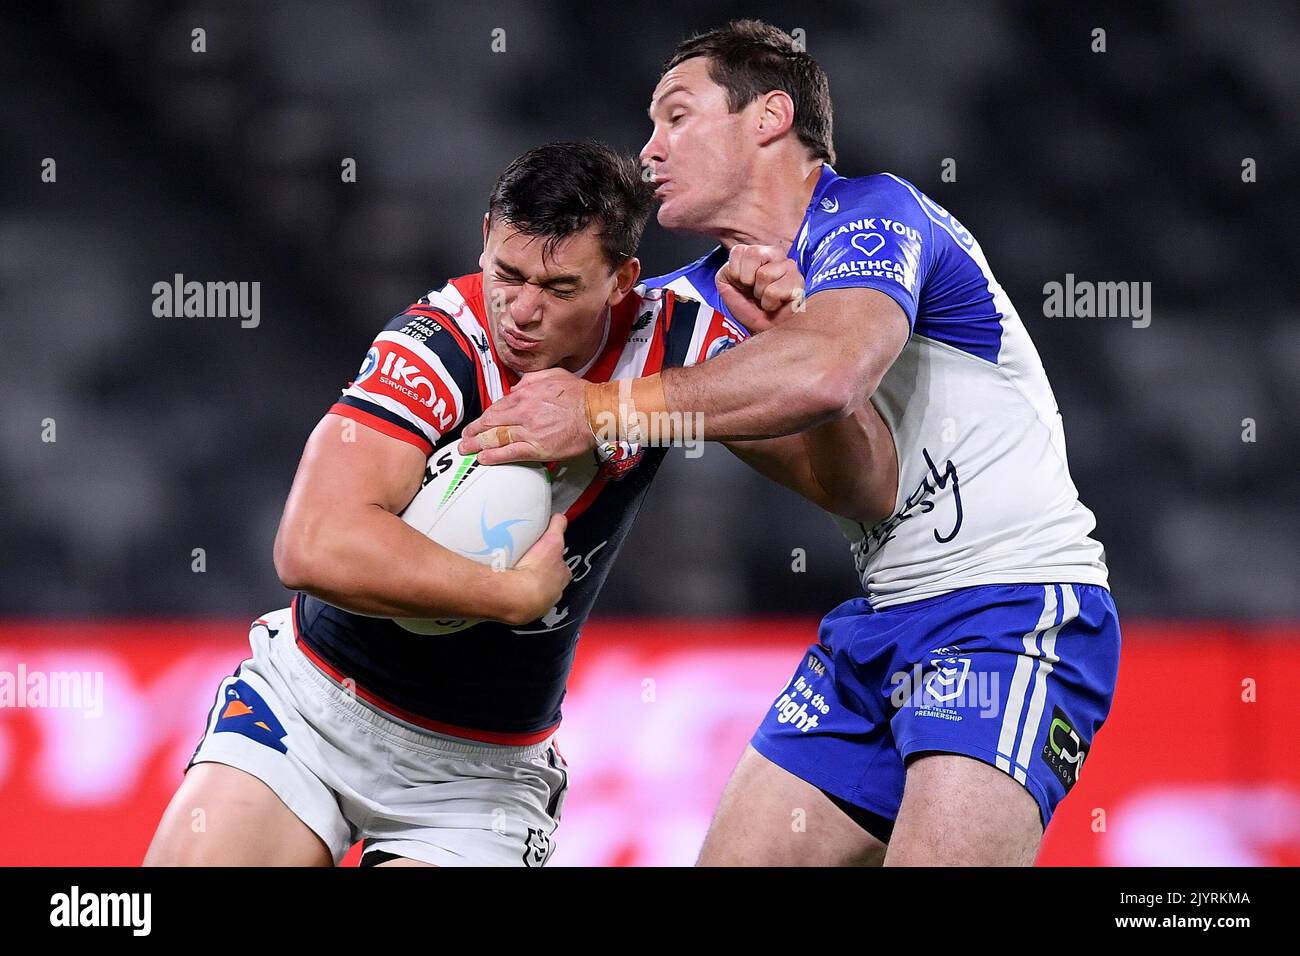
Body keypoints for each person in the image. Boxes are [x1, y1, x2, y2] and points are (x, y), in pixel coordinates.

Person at [458, 22, 1121, 866]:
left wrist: (603, 408)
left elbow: (827, 372)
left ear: (770, 115)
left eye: (676, 117)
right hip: (880, 625)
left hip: (1010, 611)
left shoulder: (874, 214)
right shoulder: (696, 306)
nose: (649, 149)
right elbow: (860, 490)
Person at [145, 140, 893, 867]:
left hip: (479, 778)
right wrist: (506, 594)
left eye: (559, 288)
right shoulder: (438, 345)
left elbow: (859, 487)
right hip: (310, 712)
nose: (522, 310)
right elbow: (310, 546)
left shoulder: (675, 351)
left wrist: (790, 342)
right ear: (484, 242)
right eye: (508, 274)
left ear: (622, 279)